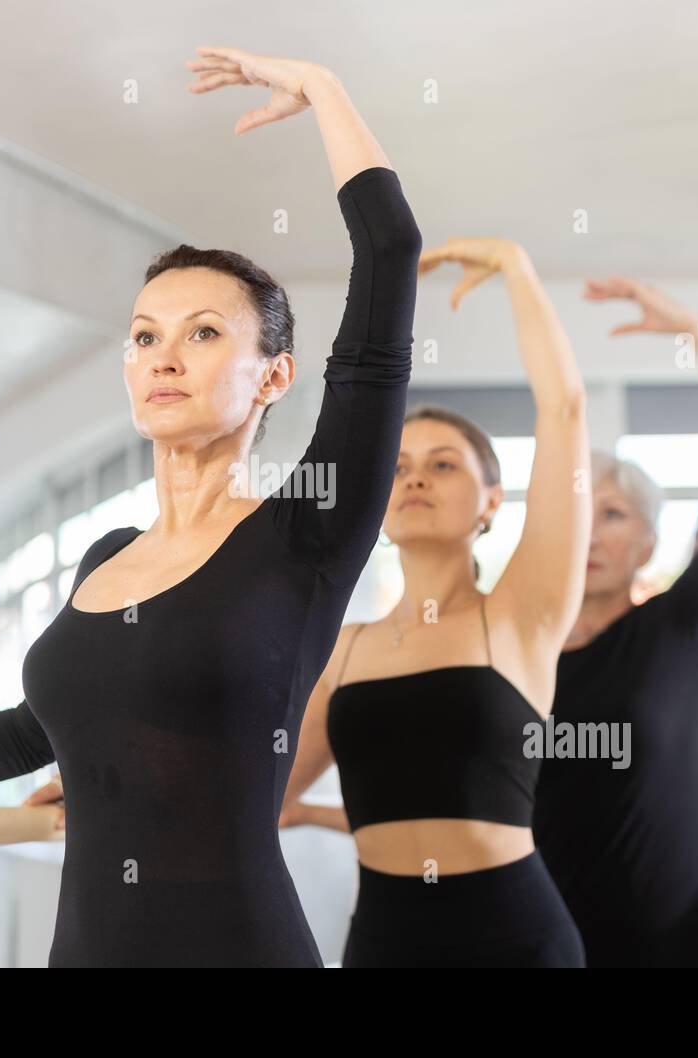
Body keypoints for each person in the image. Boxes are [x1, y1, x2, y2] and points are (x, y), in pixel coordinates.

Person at [0, 46, 422, 968]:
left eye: (205, 333)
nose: (164, 356)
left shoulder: (306, 536)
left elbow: (390, 248)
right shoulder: (107, 556)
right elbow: (27, 726)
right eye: (145, 336)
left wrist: (324, 88)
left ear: (273, 377)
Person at [280, 237, 591, 966]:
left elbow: (566, 411)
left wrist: (517, 267)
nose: (415, 479)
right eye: (397, 468)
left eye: (442, 465)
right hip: (385, 940)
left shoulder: (519, 616)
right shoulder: (343, 647)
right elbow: (253, 792)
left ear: (490, 502)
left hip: (512, 937)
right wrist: (93, 789)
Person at [532, 277, 698, 967]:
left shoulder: (682, 627)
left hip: (676, 945)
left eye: (612, 517)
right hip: (547, 939)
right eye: (580, 515)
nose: (590, 537)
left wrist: (696, 334)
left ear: (648, 541)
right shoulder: (517, 651)